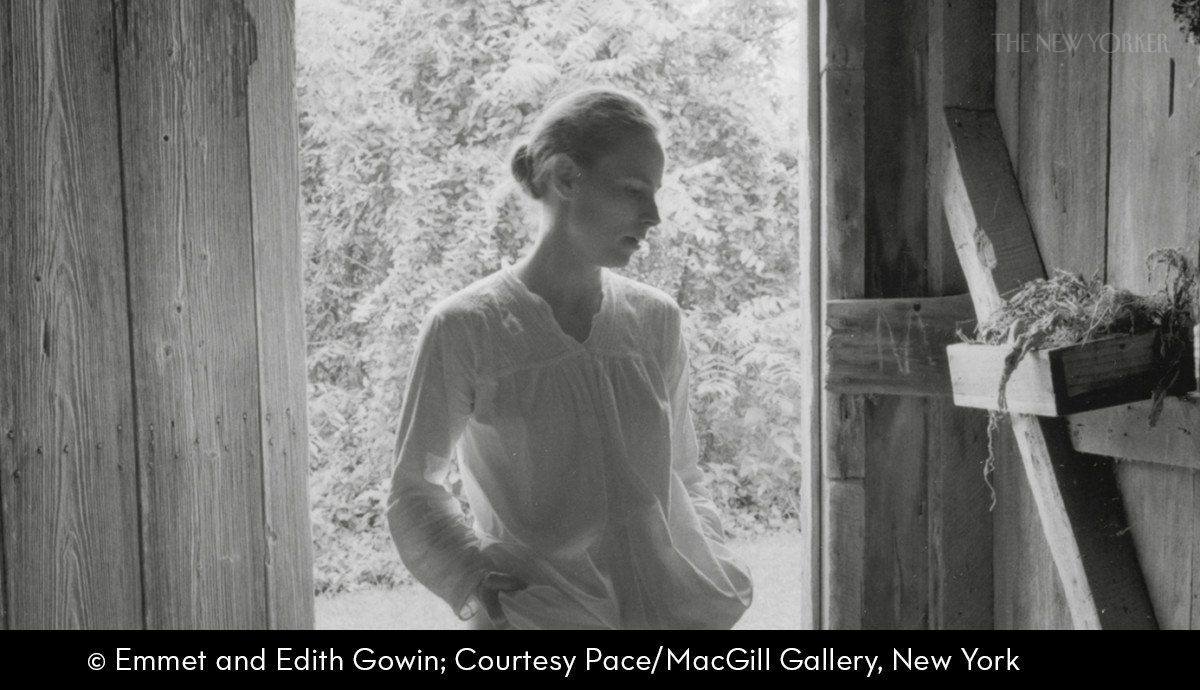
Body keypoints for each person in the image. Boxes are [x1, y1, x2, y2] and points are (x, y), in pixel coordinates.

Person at [386, 86, 753, 629]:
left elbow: (682, 471)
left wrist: (709, 554)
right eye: (633, 190)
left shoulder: (655, 320)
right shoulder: (467, 327)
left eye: (655, 193)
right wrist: (468, 576)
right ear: (564, 178)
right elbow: (414, 488)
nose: (653, 215)